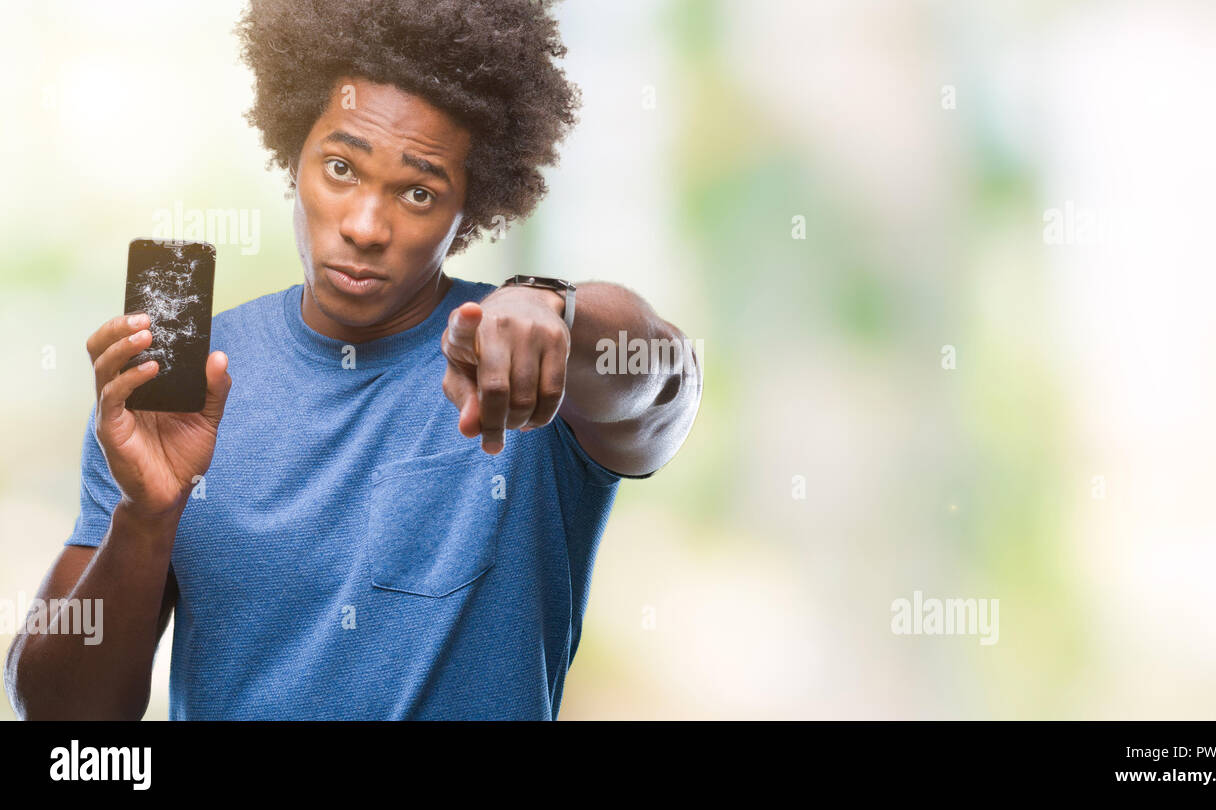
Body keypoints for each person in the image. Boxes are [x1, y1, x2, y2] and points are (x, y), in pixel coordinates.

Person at [4, 0, 701, 720]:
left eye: (419, 191)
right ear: (292, 154)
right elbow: (61, 724)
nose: (365, 226)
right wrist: (144, 516)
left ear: (474, 207)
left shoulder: (522, 368)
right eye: (340, 167)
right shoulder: (174, 391)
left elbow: (667, 381)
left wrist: (555, 308)